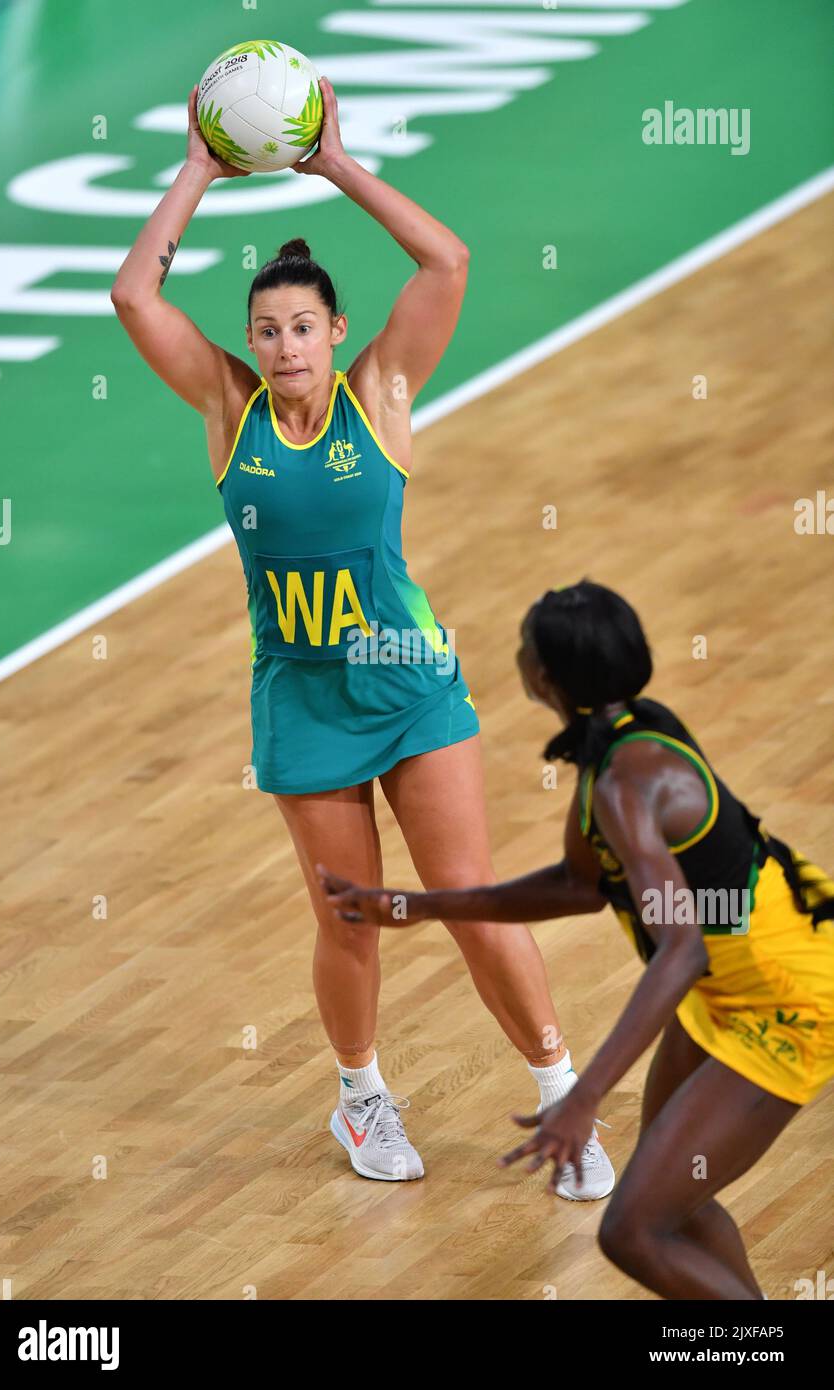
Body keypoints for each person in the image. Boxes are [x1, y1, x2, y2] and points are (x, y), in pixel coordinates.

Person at [110, 80, 613, 1197]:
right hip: (301, 705)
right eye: (267, 330)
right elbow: (132, 295)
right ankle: (359, 1100)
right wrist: (198, 166)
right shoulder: (225, 407)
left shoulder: (378, 390)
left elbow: (447, 264)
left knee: (470, 897)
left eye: (302, 327)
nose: (284, 346)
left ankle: (561, 1094)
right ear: (249, 342)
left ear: (335, 333)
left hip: (410, 688)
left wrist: (333, 163)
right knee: (355, 924)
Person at [319, 579, 834, 1297]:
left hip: (785, 997)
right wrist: (414, 903)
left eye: (527, 642)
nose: (519, 649)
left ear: (544, 677)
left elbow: (680, 948)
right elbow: (576, 885)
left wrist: (585, 1095)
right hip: (736, 978)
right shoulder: (625, 741)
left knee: (632, 1230)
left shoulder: (628, 781)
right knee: (674, 1208)